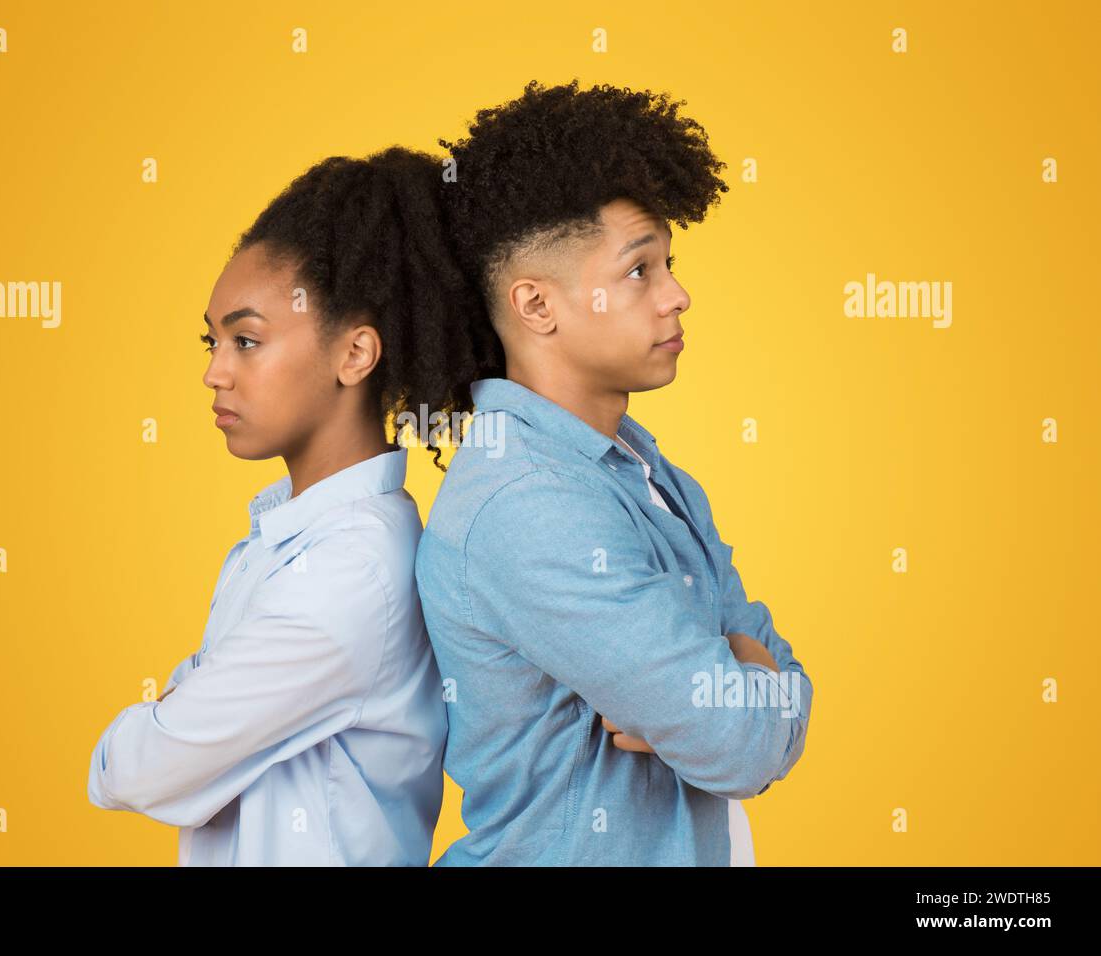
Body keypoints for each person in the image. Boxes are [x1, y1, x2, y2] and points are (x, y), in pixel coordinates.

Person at [415, 80, 813, 865]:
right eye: (639, 271)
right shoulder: (528, 504)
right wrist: (739, 669)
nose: (677, 296)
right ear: (537, 306)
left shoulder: (642, 468)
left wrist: (743, 670)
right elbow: (738, 742)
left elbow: (744, 696)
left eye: (669, 264)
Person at [87, 146, 491, 865]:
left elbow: (140, 769)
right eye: (211, 342)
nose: (214, 371)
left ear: (356, 354)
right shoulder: (297, 537)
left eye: (247, 340)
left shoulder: (351, 573)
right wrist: (195, 708)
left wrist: (174, 712)